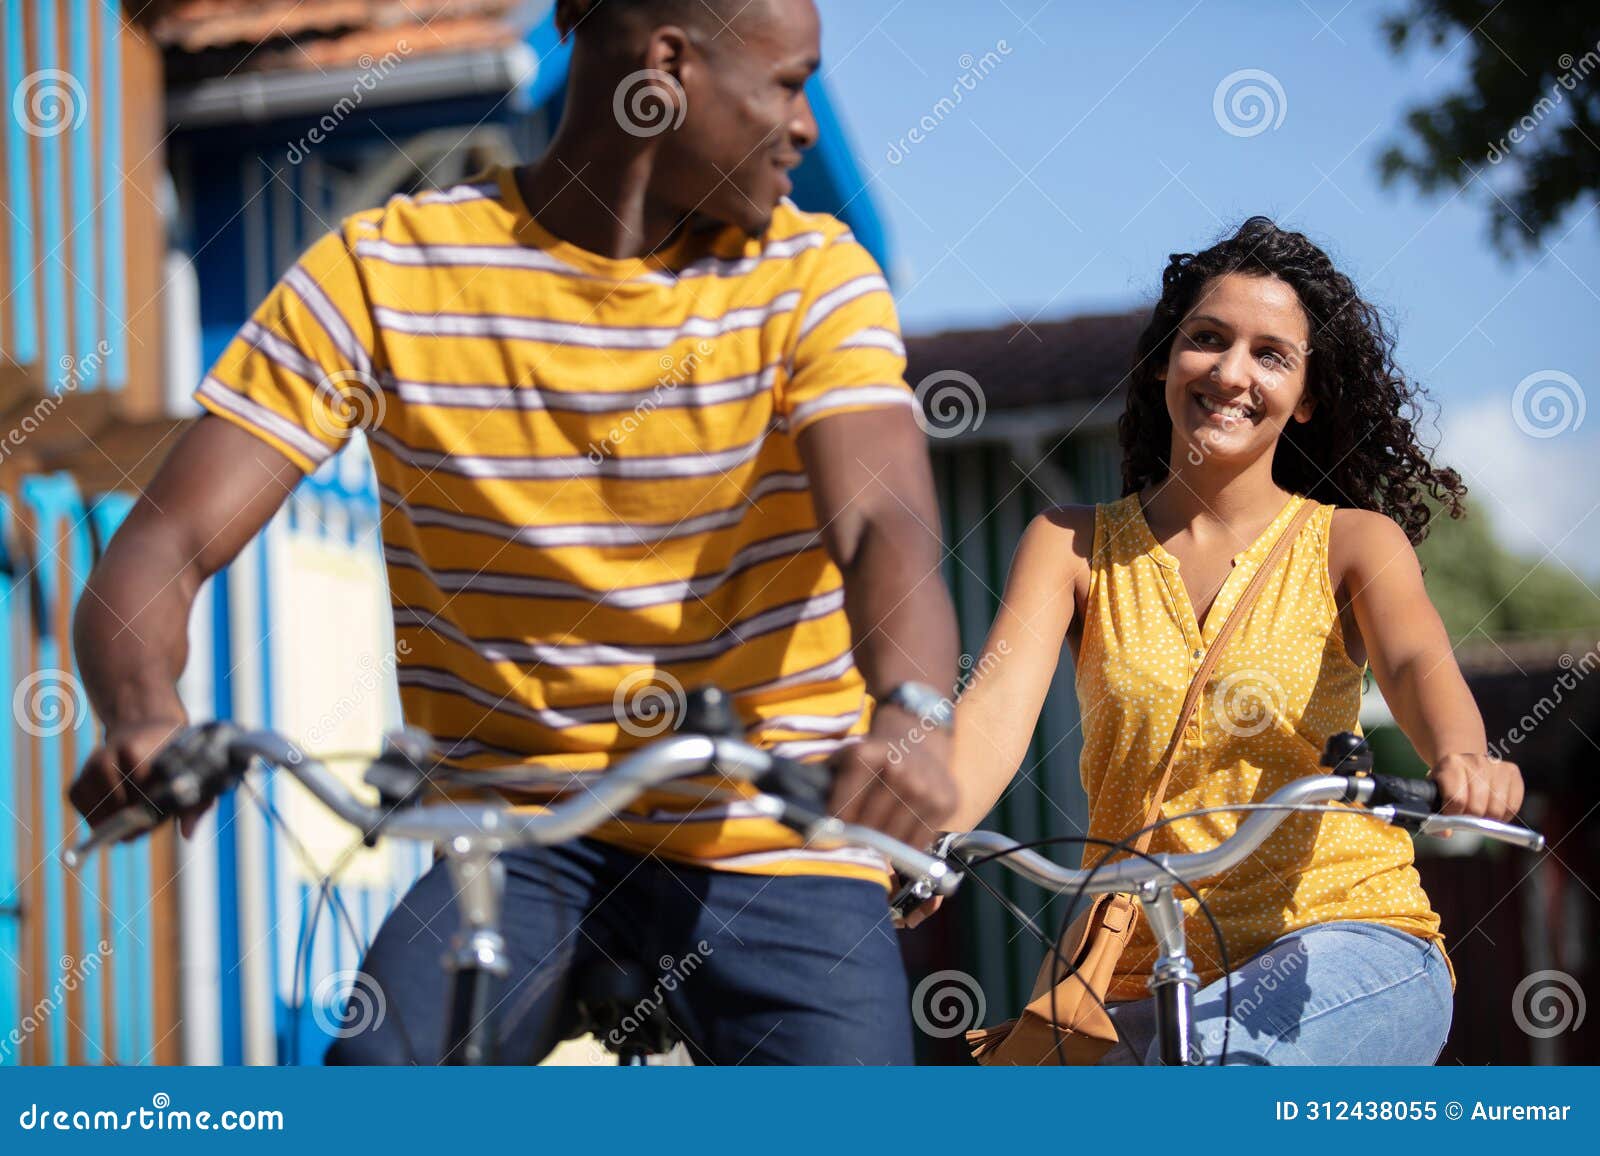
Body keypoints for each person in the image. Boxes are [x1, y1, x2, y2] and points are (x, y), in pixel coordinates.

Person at [68, 0, 958, 1066]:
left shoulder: (812, 275)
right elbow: (166, 539)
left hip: (770, 836)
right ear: (667, 65)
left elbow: (884, 519)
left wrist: (910, 710)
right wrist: (142, 710)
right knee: (375, 1087)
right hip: (510, 838)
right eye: (786, 82)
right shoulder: (386, 273)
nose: (805, 124)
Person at [933, 217, 1524, 1064]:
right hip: (1143, 970)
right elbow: (993, 710)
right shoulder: (1070, 545)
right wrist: (919, 836)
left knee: (1211, 1073)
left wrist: (1464, 758)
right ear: (1165, 360)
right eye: (1208, 339)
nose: (1231, 372)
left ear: (1306, 397)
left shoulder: (1352, 544)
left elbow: (1413, 664)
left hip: (1345, 939)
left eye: (1271, 355)